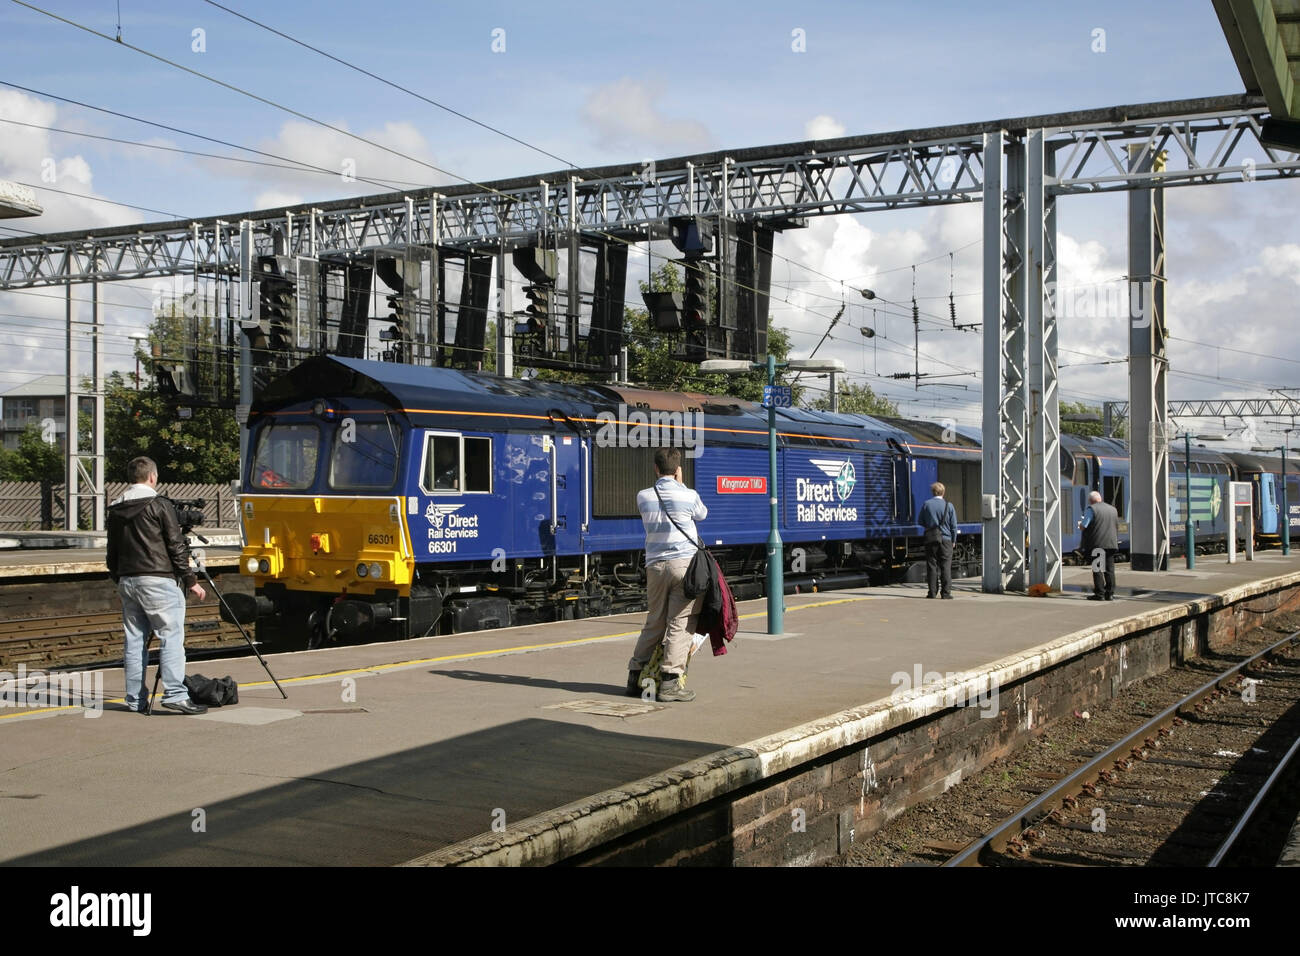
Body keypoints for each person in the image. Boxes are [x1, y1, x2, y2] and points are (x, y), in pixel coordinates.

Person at [106, 456, 209, 715]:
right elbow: (176, 546)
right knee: (170, 637)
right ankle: (175, 694)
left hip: (128, 580)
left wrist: (119, 578)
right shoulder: (159, 504)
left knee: (134, 641)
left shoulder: (116, 508)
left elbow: (112, 552)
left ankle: (134, 699)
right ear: (152, 477)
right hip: (159, 579)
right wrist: (191, 581)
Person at [626, 448, 707, 703]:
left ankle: (635, 676)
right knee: (679, 622)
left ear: (655, 468)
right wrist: (680, 485)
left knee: (655, 621)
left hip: (655, 566)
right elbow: (702, 514)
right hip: (684, 566)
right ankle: (670, 683)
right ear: (678, 469)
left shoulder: (643, 496)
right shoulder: (689, 495)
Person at [919, 481, 958, 599]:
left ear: (933, 492)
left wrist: (930, 525)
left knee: (932, 566)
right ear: (943, 492)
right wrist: (954, 540)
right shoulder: (949, 505)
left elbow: (920, 521)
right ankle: (946, 593)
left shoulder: (927, 504)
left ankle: (932, 593)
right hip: (946, 540)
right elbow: (954, 526)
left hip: (931, 539)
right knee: (945, 567)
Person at [1079, 490, 1120, 601]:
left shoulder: (1091, 509)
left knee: (1098, 569)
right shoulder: (1113, 509)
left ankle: (1100, 594)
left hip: (1097, 544)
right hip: (1111, 543)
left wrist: (1080, 525)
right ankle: (1110, 594)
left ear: (1091, 501)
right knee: (1109, 570)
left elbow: (1084, 525)